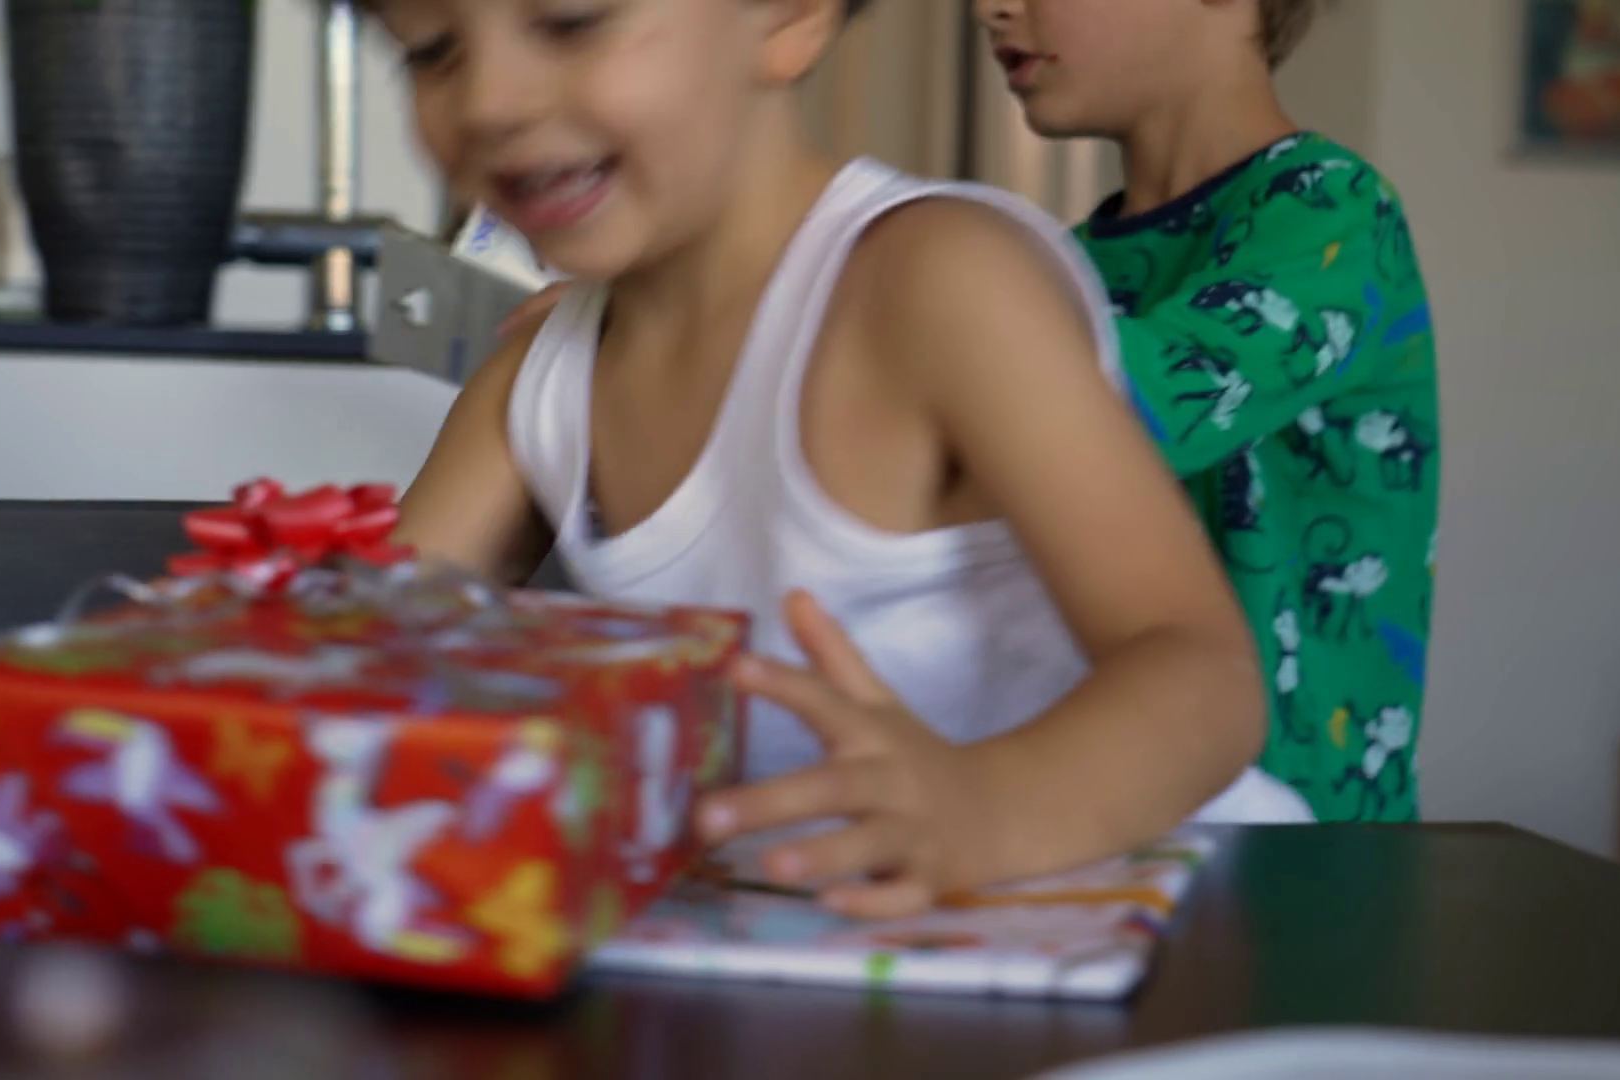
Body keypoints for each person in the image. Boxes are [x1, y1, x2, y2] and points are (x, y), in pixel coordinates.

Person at [381, 0, 1312, 919]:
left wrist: (982, 806)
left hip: (1177, 934)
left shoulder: (940, 282)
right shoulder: (534, 381)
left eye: (571, 21)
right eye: (430, 51)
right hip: (840, 964)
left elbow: (1202, 674)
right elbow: (358, 651)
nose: (489, 101)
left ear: (789, 18)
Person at [976, 0, 1440, 822]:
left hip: (1297, 848)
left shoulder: (1333, 211)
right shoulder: (1061, 262)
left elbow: (1126, 414)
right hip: (1114, 813)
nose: (992, 8)